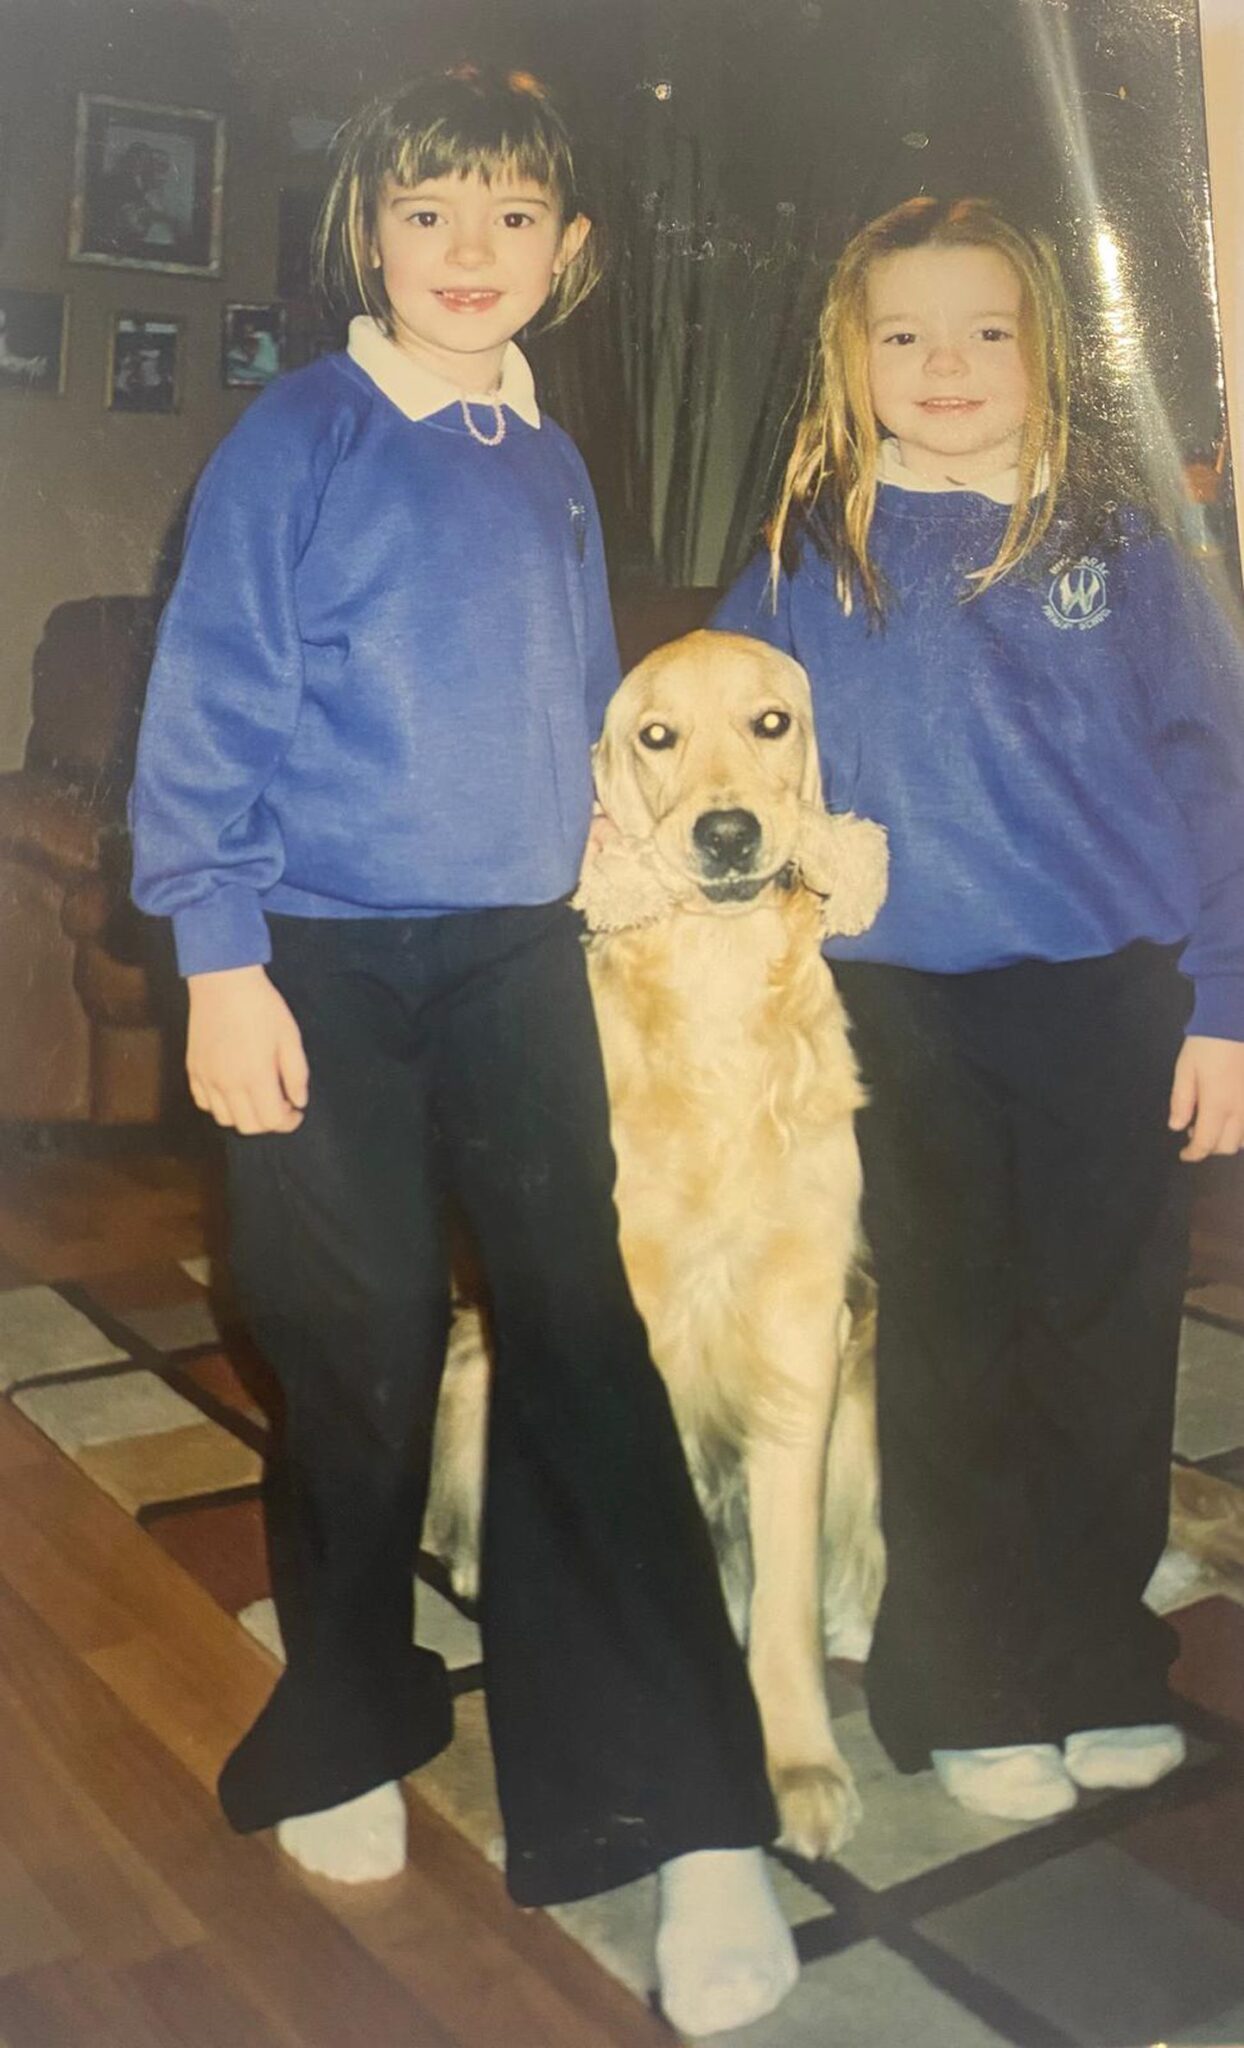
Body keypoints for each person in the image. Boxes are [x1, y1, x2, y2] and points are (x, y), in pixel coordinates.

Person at [129, 66, 796, 2036]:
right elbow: (211, 702)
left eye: (511, 218)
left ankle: (684, 1800)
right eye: (430, 218)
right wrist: (220, 958)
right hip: (318, 959)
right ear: (368, 240)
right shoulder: (300, 437)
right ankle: (346, 1707)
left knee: (583, 1344)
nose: (470, 254)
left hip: (514, 959)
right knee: (355, 1344)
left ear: (568, 258)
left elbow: (572, 693)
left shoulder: (547, 453)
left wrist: (613, 853)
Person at [713, 195, 1244, 1824]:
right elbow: (717, 734)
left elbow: (1220, 773)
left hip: (1117, 998)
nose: (947, 366)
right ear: (850, 359)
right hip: (902, 1009)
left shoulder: (1127, 540)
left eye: (988, 332)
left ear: (1046, 354)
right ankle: (963, 1686)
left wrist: (1224, 1000)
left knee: (1104, 1334)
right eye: (904, 335)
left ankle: (1090, 1661)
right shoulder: (816, 547)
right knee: (951, 1341)